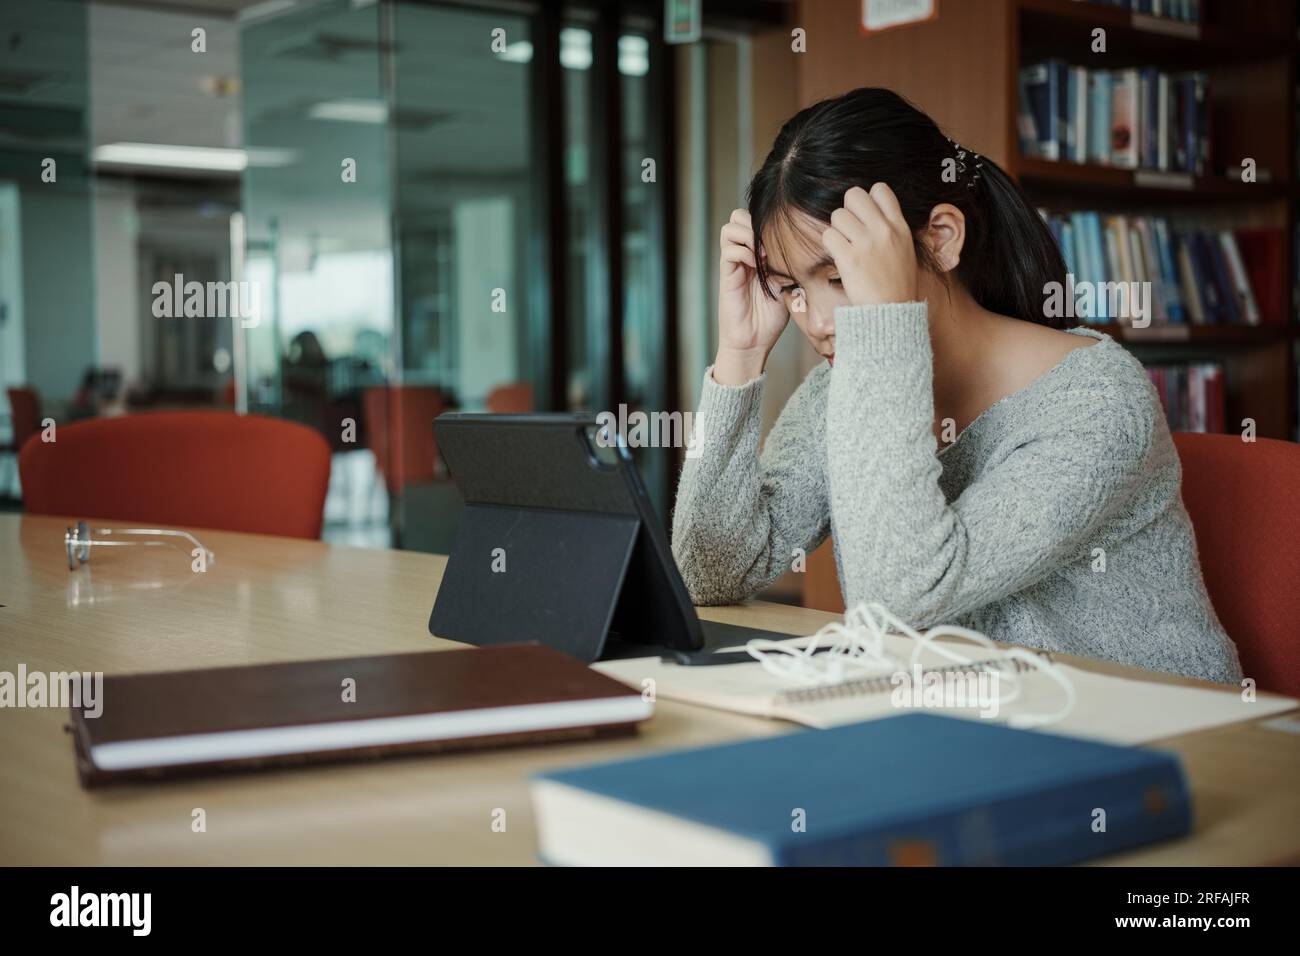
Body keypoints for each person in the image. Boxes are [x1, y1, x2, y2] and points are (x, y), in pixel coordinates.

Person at [670, 87, 1242, 684]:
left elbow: (897, 600)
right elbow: (711, 574)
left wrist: (883, 330)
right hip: (970, 728)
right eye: (791, 288)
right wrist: (739, 354)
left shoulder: (1097, 398)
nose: (813, 323)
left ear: (940, 239)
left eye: (838, 276)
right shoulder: (839, 390)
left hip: (1165, 735)